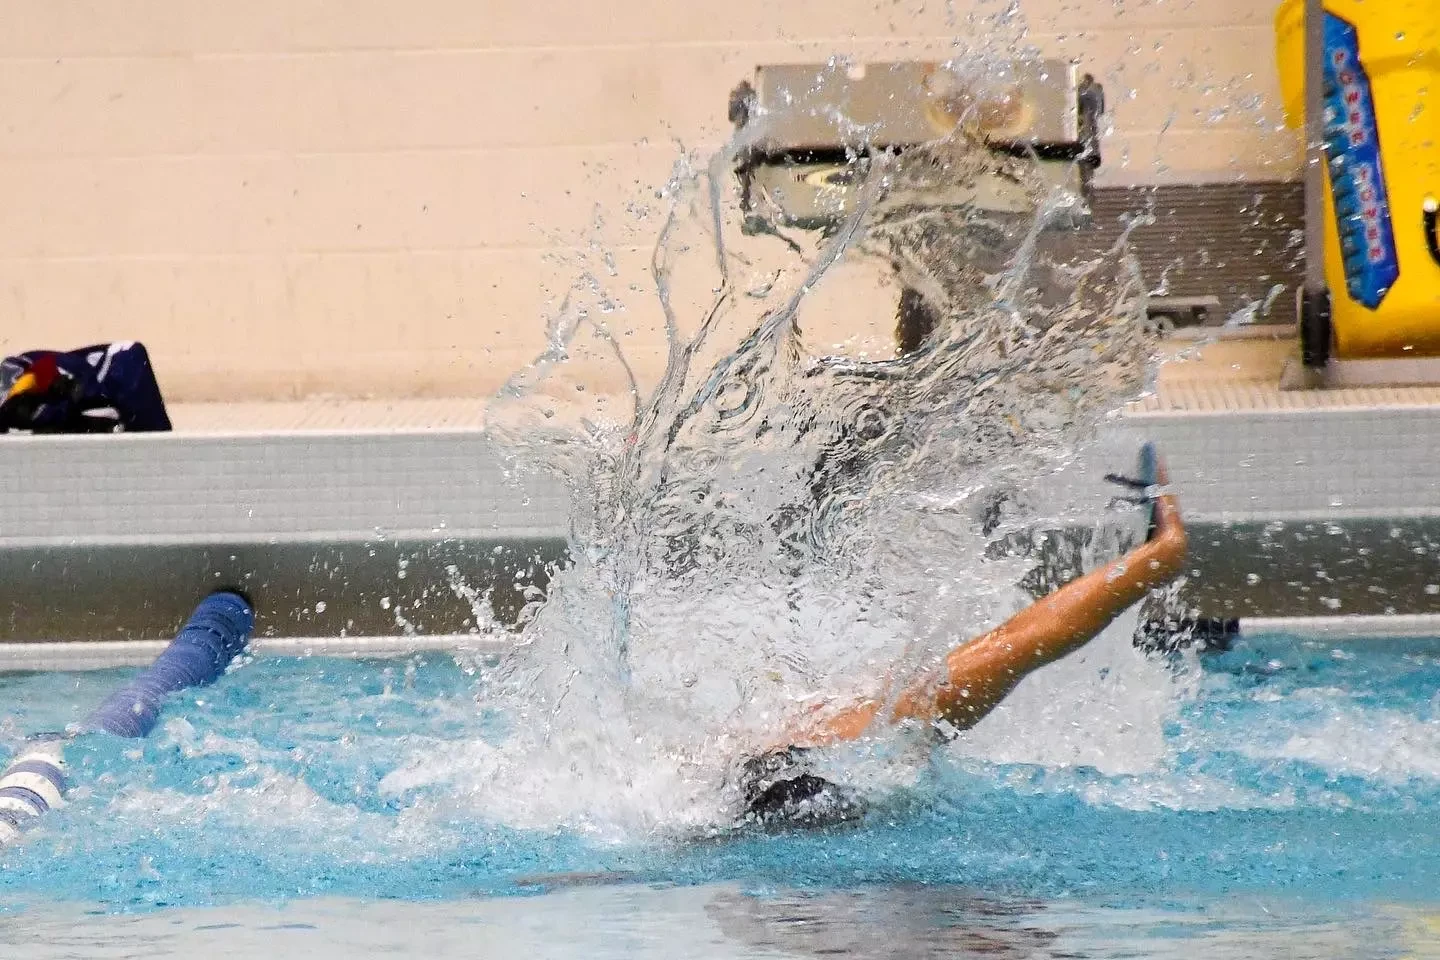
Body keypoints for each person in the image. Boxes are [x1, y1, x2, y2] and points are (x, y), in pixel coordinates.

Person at [737, 451, 1188, 826]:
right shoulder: (861, 746)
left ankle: (1161, 554)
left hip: (797, 780)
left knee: (1000, 652)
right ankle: (1163, 553)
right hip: (810, 776)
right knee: (1010, 646)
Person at [0, 341, 172, 434]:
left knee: (155, 443)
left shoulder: (22, 376)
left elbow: (75, 380)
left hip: (121, 368)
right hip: (91, 391)